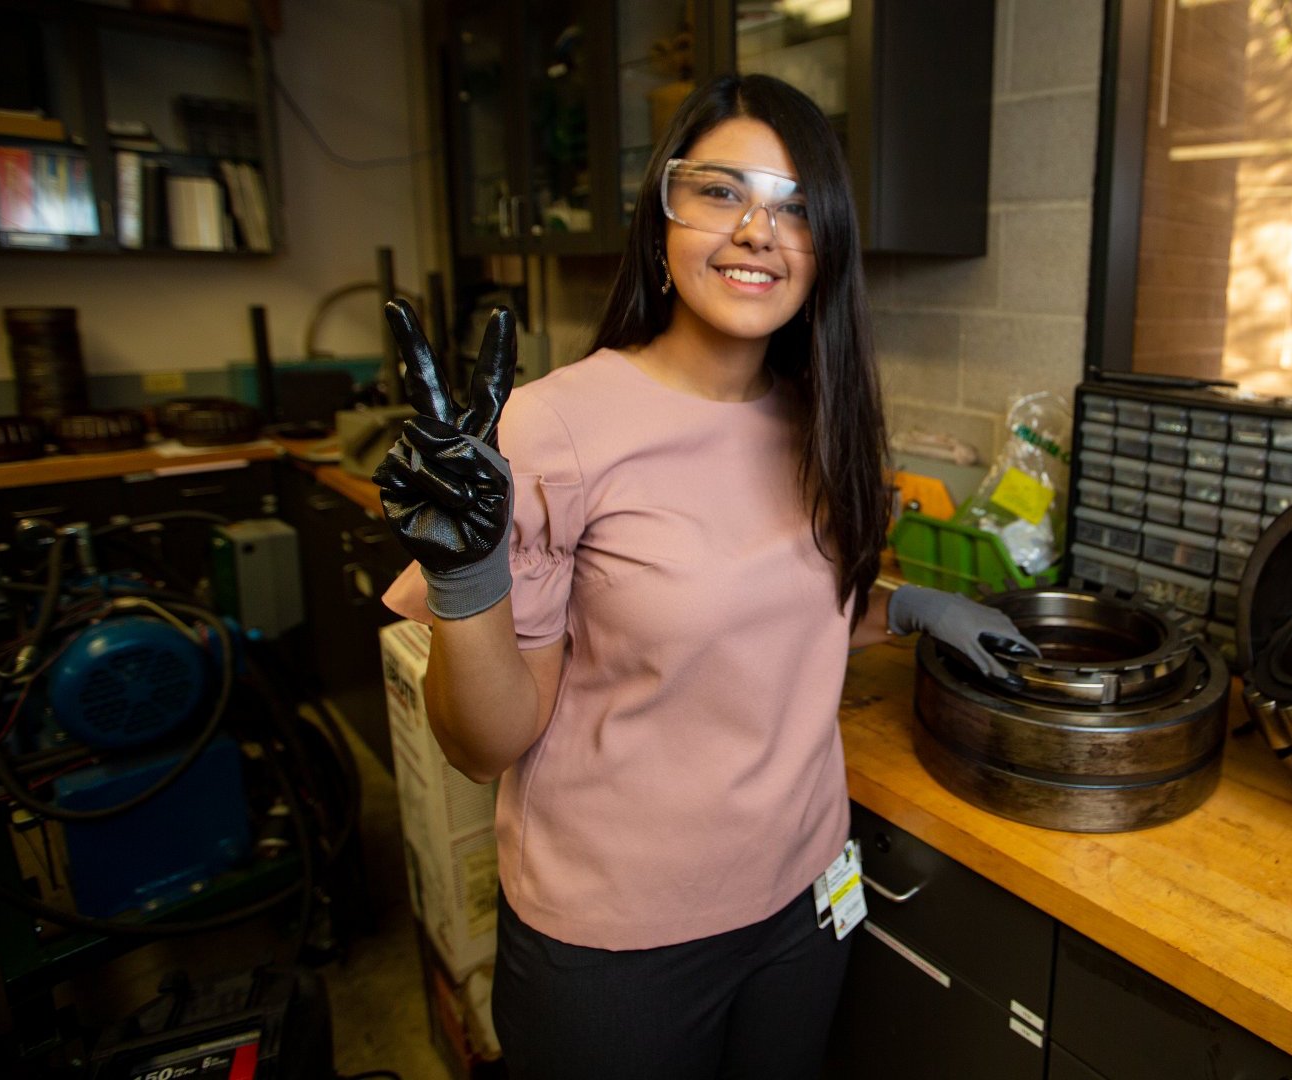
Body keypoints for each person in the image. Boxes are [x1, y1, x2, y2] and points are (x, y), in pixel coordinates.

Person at [374, 73, 1036, 1079]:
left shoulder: (820, 414)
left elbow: (768, 608)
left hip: (803, 903)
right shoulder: (554, 429)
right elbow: (484, 744)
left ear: (828, 247)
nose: (757, 231)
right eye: (721, 192)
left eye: (794, 205)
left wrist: (907, 608)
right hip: (617, 945)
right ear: (662, 222)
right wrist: (469, 579)